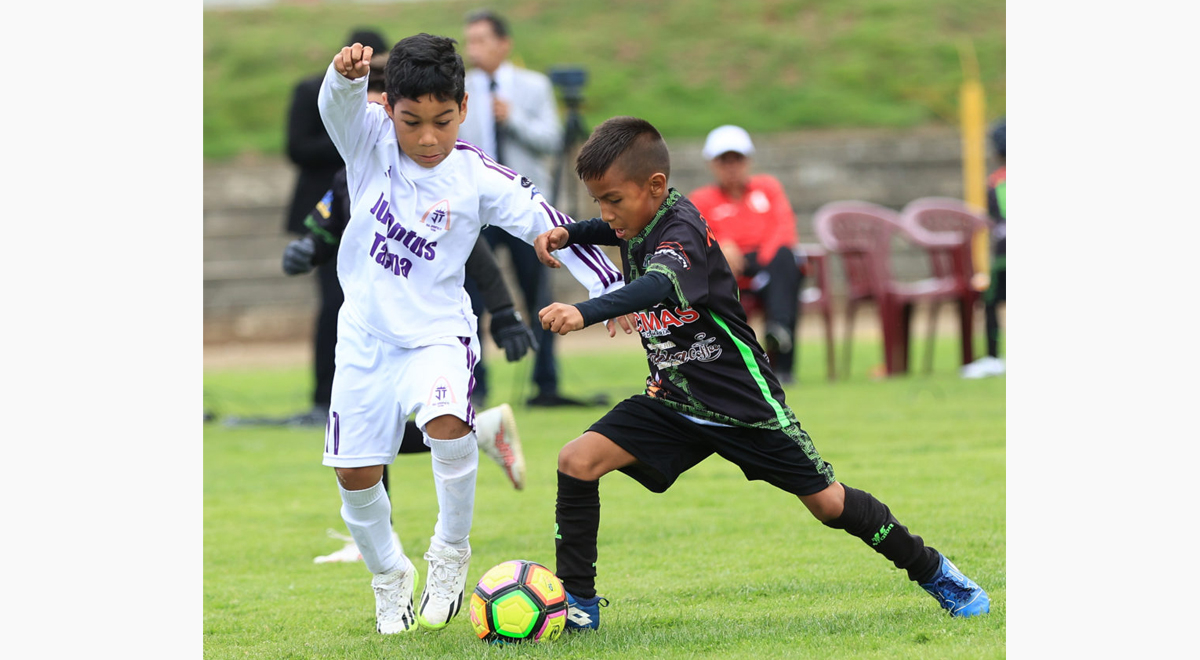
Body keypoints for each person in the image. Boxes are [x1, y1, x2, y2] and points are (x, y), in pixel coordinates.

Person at [533, 116, 991, 632]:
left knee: (829, 504)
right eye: (598, 201)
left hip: (741, 404)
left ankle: (935, 572)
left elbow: (658, 285)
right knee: (577, 460)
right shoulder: (636, 218)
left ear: (655, 186)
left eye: (611, 200)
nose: (605, 213)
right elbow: (611, 230)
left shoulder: (680, 229)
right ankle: (578, 605)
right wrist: (571, 231)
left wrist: (586, 310)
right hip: (673, 400)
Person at [315, 35, 623, 635]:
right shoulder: (367, 140)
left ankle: (450, 552)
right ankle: (389, 575)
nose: (428, 138)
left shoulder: (475, 174)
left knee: (447, 425)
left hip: (437, 333)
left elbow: (548, 223)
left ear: (463, 106)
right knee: (354, 474)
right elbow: (337, 108)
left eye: (443, 121)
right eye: (412, 122)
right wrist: (344, 77)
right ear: (389, 110)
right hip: (363, 339)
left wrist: (610, 289)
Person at [459, 9, 587, 408]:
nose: (473, 49)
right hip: (479, 210)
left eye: (480, 40)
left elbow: (552, 139)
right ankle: (474, 385)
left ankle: (545, 383)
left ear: (504, 43)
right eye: (470, 41)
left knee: (539, 294)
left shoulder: (532, 86)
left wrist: (512, 119)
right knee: (472, 298)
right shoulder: (460, 88)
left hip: (522, 209)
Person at [283, 28, 390, 425]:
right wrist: (353, 137)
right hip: (331, 208)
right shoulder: (315, 90)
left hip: (381, 209)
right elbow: (297, 148)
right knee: (332, 306)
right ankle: (323, 396)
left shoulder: (397, 107)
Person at [689, 125, 805, 383]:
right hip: (728, 271)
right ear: (712, 164)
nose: (731, 166)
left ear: (748, 160)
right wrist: (719, 249)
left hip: (768, 263)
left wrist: (764, 263)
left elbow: (784, 227)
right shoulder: (702, 199)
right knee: (784, 273)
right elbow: (694, 237)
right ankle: (778, 337)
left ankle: (780, 335)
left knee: (787, 260)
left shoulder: (768, 188)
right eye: (724, 160)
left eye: (737, 159)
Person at [962, 118, 1006, 379]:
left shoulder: (998, 180)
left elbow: (998, 214)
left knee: (990, 300)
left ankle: (992, 357)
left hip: (1006, 254)